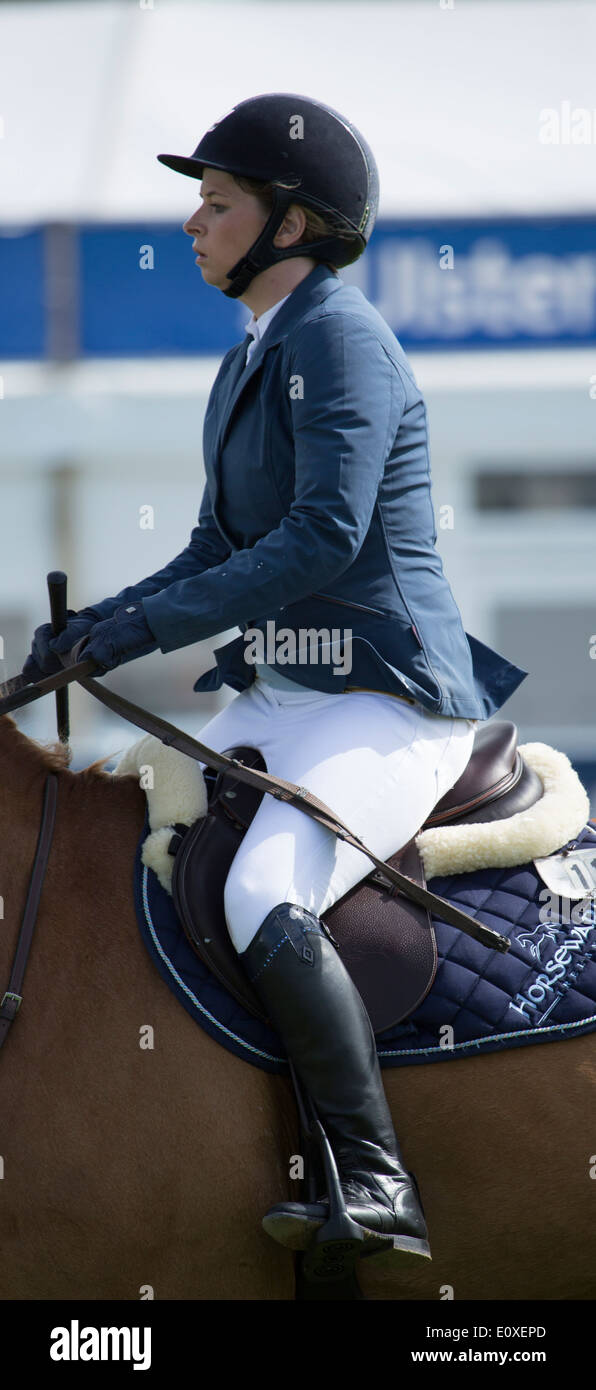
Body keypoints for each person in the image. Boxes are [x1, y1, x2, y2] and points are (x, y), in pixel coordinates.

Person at [24, 94, 527, 1262]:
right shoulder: (253, 352)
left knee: (262, 895)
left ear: (290, 223)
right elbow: (215, 548)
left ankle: (376, 1176)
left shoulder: (340, 340)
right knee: (111, 835)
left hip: (383, 700)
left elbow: (317, 540)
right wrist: (92, 627)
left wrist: (138, 631)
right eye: (194, 204)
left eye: (216, 203)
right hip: (286, 696)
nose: (191, 225)